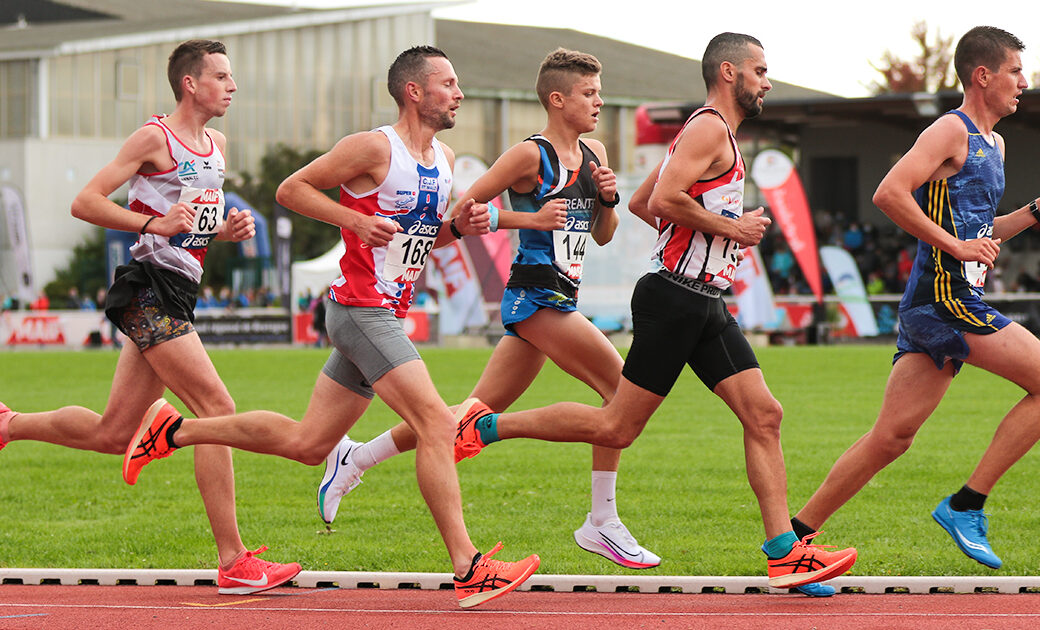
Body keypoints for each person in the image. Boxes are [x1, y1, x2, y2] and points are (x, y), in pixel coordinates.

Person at [121, 46, 540, 609]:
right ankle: (469, 569)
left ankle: (173, 433)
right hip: (359, 311)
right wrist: (353, 219)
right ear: (414, 92)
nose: (459, 93)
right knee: (437, 423)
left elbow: (417, 236)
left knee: (307, 443)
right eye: (449, 83)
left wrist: (458, 229)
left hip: (385, 313)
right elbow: (290, 189)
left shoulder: (443, 156)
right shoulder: (372, 147)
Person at [445, 33, 858, 590]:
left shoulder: (718, 137)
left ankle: (784, 550)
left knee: (765, 414)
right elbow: (664, 202)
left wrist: (625, 204)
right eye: (761, 71)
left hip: (707, 300)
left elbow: (642, 203)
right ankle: (488, 426)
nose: (768, 81)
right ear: (730, 72)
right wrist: (731, 228)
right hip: (676, 297)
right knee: (617, 424)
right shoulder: (709, 126)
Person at [318, 48, 661, 570]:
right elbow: (467, 209)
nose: (599, 102)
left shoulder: (594, 155)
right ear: (558, 98)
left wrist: (609, 202)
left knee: (459, 414)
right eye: (590, 93)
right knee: (621, 393)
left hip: (564, 294)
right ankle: (601, 519)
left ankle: (356, 456)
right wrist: (529, 220)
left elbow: (603, 237)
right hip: (534, 297)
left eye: (599, 92)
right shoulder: (531, 155)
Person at [0, 40, 300, 594]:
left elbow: (193, 224)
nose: (232, 86)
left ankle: (8, 424)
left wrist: (223, 233)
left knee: (114, 431)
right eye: (222, 76)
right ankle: (233, 560)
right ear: (191, 83)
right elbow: (85, 202)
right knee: (216, 407)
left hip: (178, 292)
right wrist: (152, 225)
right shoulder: (154, 137)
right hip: (149, 290)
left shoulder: (217, 145)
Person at [789, 26, 1040, 569]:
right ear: (983, 75)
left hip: (938, 300)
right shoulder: (951, 129)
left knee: (891, 437)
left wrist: (1037, 210)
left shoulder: (995, 143)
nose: (1025, 82)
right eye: (1016, 71)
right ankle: (966, 505)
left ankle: (792, 542)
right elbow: (888, 193)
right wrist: (954, 245)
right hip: (944, 300)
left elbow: (976, 228)